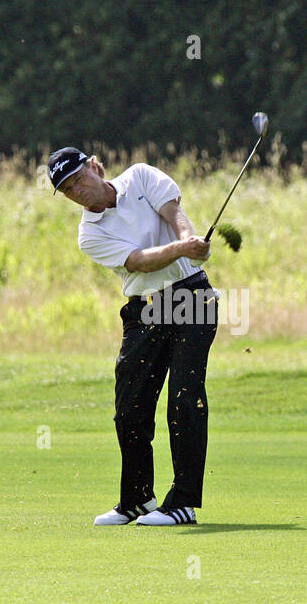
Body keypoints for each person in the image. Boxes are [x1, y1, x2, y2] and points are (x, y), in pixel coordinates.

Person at [48, 147, 218, 526]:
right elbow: (139, 260)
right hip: (145, 310)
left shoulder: (140, 176)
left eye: (79, 180)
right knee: (130, 408)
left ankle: (184, 502)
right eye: (68, 191)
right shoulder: (89, 235)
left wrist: (190, 242)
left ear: (94, 167)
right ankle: (137, 500)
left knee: (184, 399)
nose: (79, 192)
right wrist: (182, 248)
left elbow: (174, 214)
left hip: (191, 296)